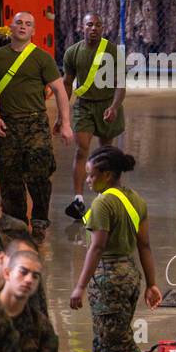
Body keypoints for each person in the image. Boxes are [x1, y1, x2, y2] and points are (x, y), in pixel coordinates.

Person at [68, 147, 169, 352]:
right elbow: (144, 245)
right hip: (129, 274)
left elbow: (97, 247)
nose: (88, 181)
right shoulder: (135, 200)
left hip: (108, 278)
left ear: (107, 175)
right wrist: (152, 283)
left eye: (91, 176)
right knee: (104, 339)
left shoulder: (103, 204)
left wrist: (79, 285)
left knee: (116, 342)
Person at [0, 11, 74, 239]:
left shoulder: (42, 58)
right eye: (19, 23)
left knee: (39, 174)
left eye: (28, 24)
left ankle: (40, 220)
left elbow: (60, 90)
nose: (23, 27)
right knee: (10, 177)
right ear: (10, 27)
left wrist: (65, 123)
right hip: (8, 124)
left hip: (35, 123)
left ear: (33, 31)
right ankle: (17, 223)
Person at [62, 12, 126, 221]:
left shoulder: (112, 51)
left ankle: (104, 195)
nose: (94, 29)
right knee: (82, 149)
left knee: (106, 153)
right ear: (83, 27)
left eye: (98, 25)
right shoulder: (73, 52)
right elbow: (67, 83)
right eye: (90, 25)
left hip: (107, 104)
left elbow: (120, 84)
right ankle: (79, 199)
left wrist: (115, 107)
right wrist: (62, 116)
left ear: (103, 28)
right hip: (84, 107)